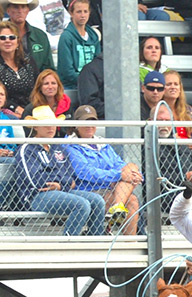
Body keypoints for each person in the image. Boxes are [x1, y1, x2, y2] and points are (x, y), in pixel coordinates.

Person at [12, 106, 107, 236]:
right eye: (46, 124)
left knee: (97, 201)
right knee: (81, 205)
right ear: (35, 127)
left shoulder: (58, 147)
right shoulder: (27, 149)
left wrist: (59, 184)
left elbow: (69, 175)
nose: (51, 128)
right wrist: (61, 182)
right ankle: (68, 242)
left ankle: (95, 240)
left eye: (53, 124)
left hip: (62, 190)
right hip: (36, 196)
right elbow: (34, 180)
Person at [66, 105, 143, 234]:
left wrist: (131, 174)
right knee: (132, 200)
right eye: (85, 122)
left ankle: (119, 211)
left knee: (131, 167)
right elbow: (85, 173)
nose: (90, 126)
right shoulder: (70, 145)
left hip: (112, 187)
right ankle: (129, 238)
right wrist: (119, 175)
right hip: (87, 189)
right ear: (76, 125)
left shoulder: (102, 143)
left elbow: (119, 164)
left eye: (93, 122)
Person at [56, 0, 100, 89]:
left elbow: (98, 64)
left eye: (85, 11)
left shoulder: (94, 36)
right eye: (79, 12)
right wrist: (88, 81)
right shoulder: (66, 37)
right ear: (71, 13)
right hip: (71, 87)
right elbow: (67, 71)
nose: (83, 15)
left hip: (93, 86)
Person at [2, 0, 53, 72]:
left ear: (28, 10)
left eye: (23, 7)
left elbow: (49, 67)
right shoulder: (1, 35)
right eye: (16, 7)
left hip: (38, 81)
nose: (20, 11)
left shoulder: (40, 36)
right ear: (8, 11)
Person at [0, 20, 37, 118]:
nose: (7, 41)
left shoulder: (28, 61)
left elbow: (38, 86)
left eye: (12, 37)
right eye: (3, 38)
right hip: (5, 112)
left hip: (31, 109)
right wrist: (16, 108)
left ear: (18, 42)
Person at [164, 70, 192, 138]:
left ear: (180, 88)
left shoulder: (187, 110)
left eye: (176, 84)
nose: (173, 87)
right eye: (168, 84)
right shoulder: (158, 111)